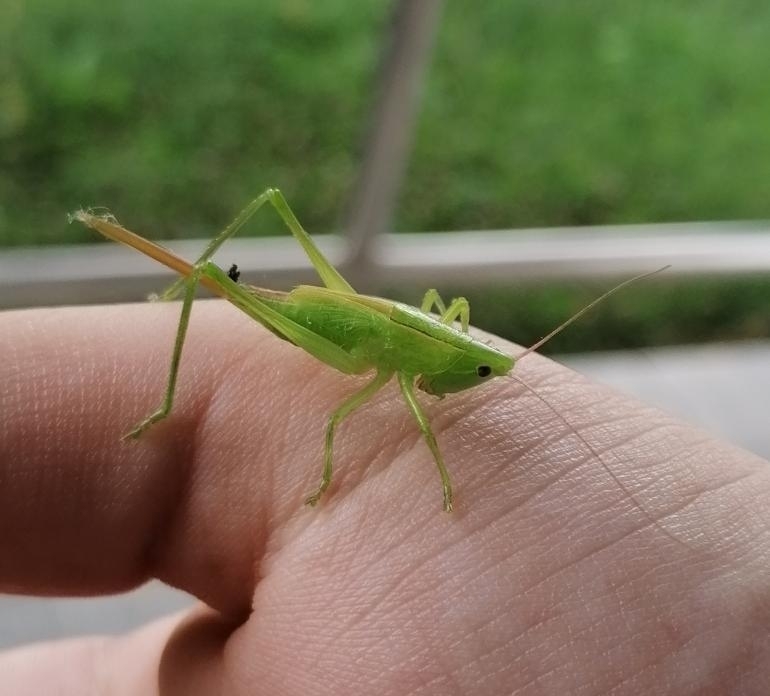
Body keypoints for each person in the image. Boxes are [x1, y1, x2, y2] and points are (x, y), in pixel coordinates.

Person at [1, 302, 769, 695]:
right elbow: (346, 415)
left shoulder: (456, 359)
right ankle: (189, 279)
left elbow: (445, 324)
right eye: (475, 372)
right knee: (333, 402)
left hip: (387, 328)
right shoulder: (415, 373)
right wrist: (425, 477)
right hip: (344, 334)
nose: (471, 382)